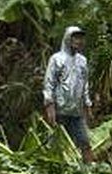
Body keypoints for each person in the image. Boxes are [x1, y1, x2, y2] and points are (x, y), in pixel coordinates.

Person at [43, 26, 93, 163]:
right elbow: (49, 83)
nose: (78, 41)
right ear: (67, 38)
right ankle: (51, 169)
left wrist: (87, 105)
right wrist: (49, 106)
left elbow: (85, 85)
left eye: (80, 38)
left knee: (85, 143)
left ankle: (92, 173)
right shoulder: (56, 59)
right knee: (56, 145)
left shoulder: (82, 61)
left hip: (76, 112)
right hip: (60, 110)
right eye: (74, 37)